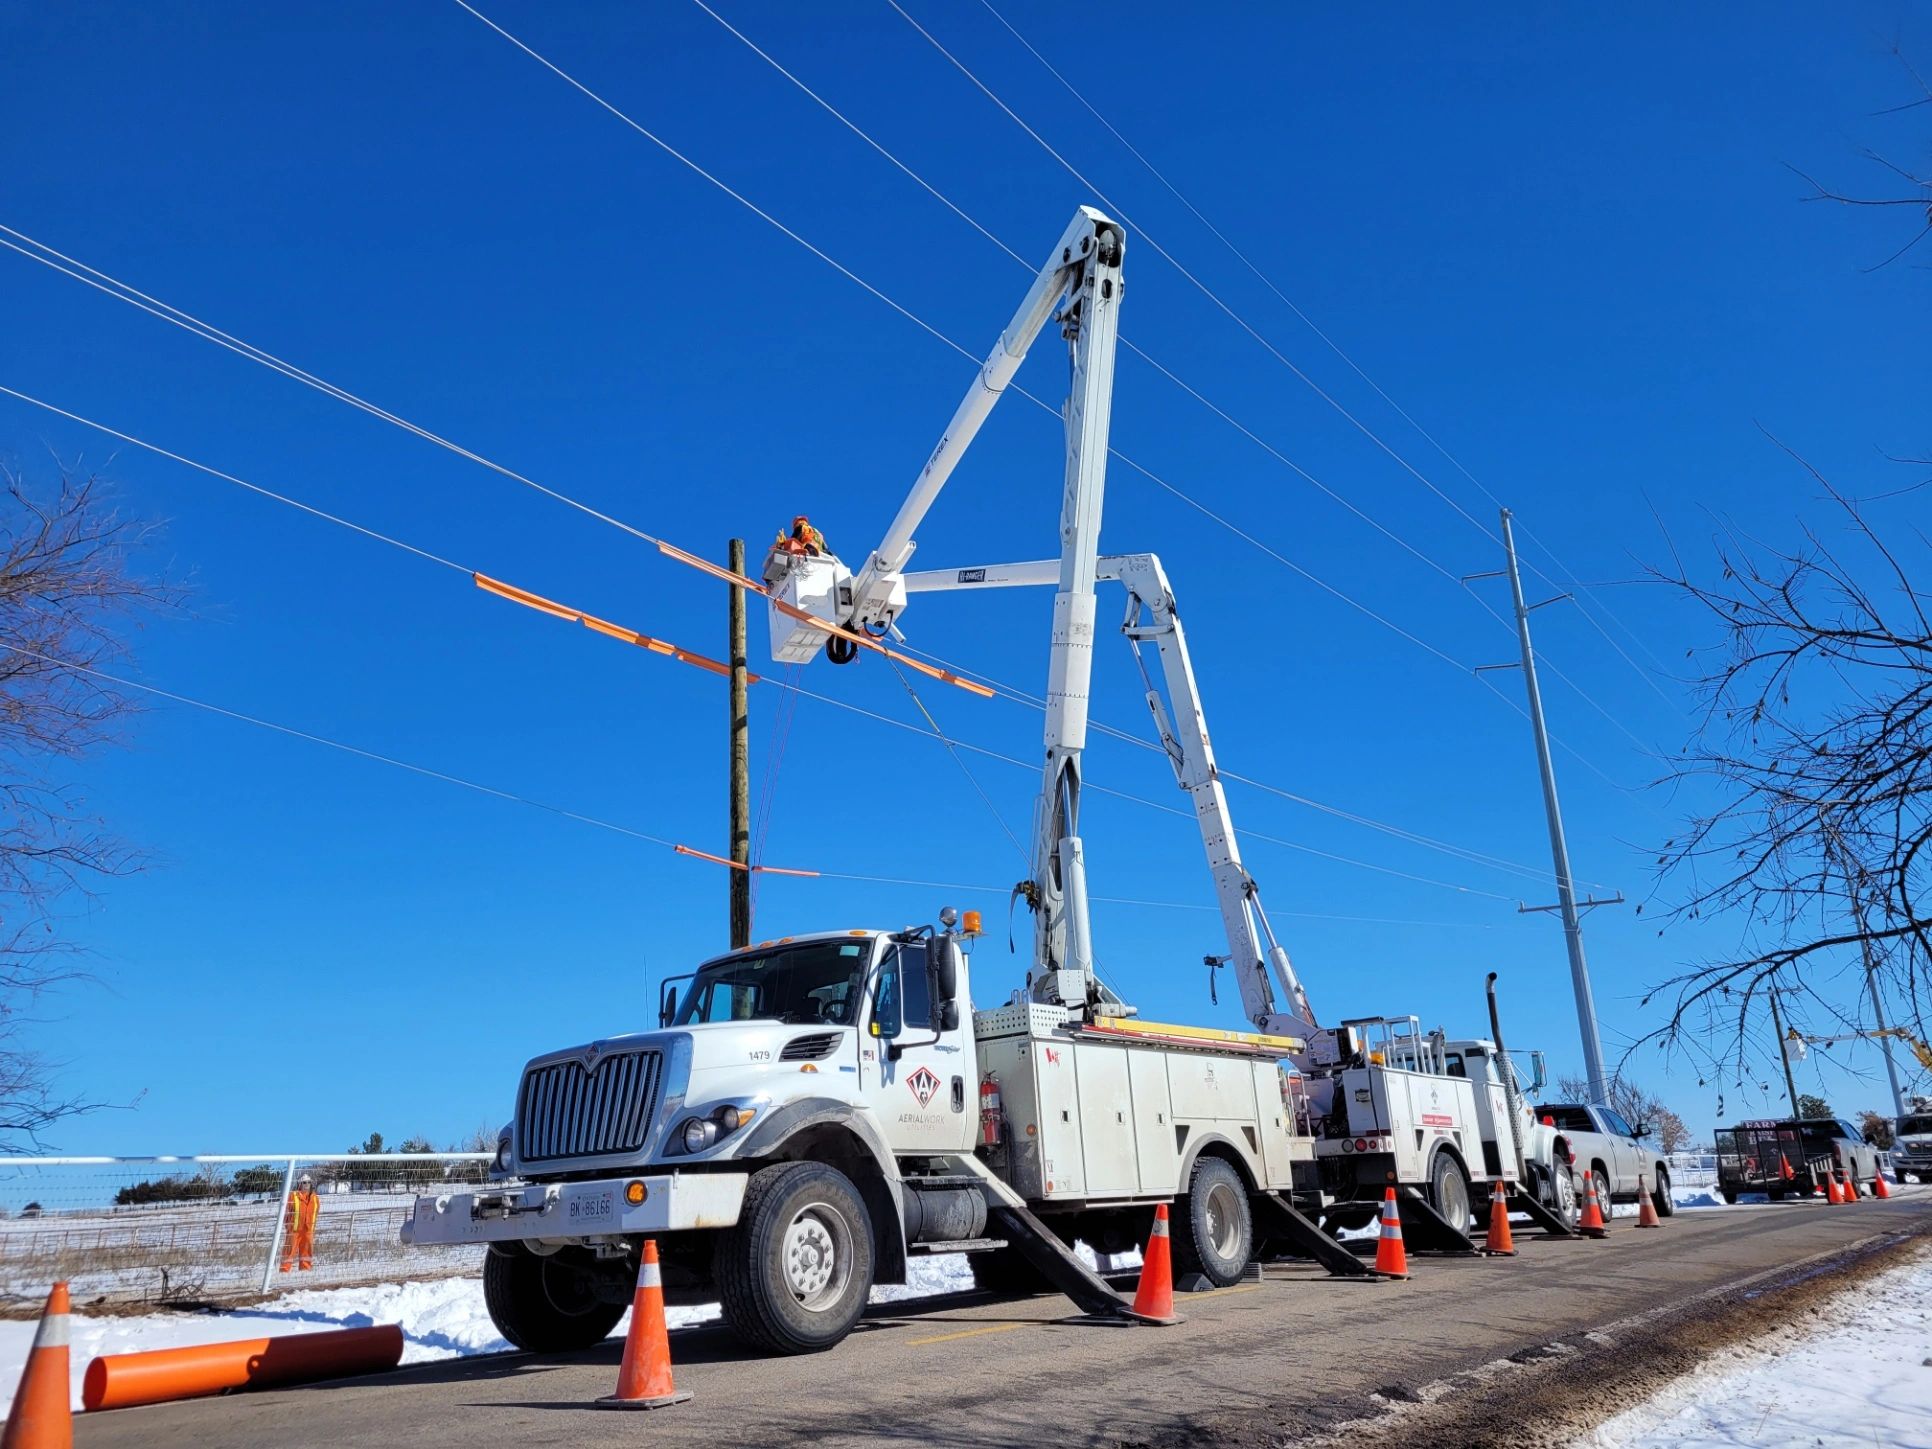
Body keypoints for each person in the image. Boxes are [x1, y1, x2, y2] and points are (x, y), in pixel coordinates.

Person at [281, 1173, 320, 1273]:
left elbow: (316, 1213)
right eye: (304, 1182)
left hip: (308, 1230)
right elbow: (286, 1212)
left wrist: (312, 1227)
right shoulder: (293, 1196)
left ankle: (305, 1270)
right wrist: (288, 1227)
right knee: (289, 1251)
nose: (306, 1184)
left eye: (308, 1182)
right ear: (300, 1184)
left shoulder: (315, 1198)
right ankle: (284, 1270)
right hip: (294, 1230)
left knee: (307, 1252)